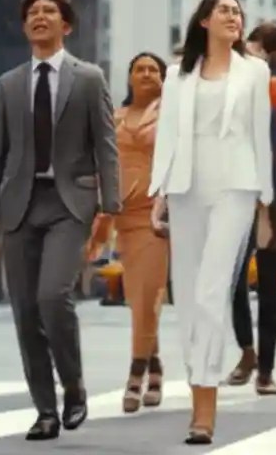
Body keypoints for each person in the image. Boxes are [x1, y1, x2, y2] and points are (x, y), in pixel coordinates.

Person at [0, 0, 120, 442]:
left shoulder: (89, 78)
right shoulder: (8, 85)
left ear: (66, 24)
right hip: (18, 207)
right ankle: (45, 410)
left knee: (53, 297)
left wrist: (109, 209)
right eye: (32, 12)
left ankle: (73, 384)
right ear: (25, 27)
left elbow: (106, 148)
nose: (39, 16)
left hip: (70, 204)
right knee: (24, 312)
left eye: (48, 10)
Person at [147, 0, 273, 445]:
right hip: (185, 185)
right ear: (203, 21)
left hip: (236, 185)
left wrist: (265, 204)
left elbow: (261, 135)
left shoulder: (255, 72)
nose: (233, 16)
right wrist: (158, 192)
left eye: (238, 11)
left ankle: (206, 410)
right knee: (187, 292)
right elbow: (168, 136)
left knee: (212, 291)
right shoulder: (177, 76)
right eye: (223, 9)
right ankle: (198, 383)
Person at [91, 52, 169, 413]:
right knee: (138, 297)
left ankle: (136, 374)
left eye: (153, 69)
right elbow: (103, 168)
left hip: (158, 216)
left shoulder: (174, 115)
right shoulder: (114, 118)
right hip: (123, 215)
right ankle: (155, 365)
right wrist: (101, 215)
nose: (146, 74)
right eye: (139, 69)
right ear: (129, 78)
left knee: (149, 292)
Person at [226, 22, 276, 394]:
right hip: (235, 193)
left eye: (252, 45)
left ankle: (264, 366)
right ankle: (250, 354)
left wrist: (270, 204)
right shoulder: (235, 82)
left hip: (269, 196)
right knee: (234, 281)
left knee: (267, 282)